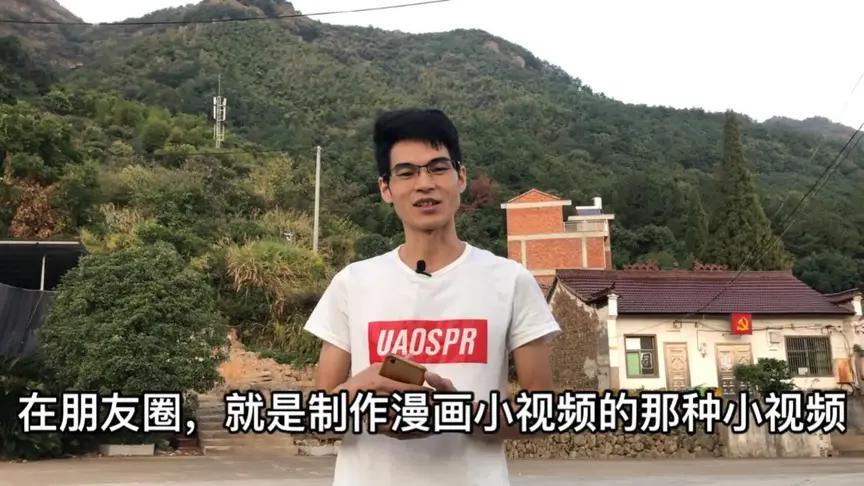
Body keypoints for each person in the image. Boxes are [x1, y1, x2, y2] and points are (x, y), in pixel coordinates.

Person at [303, 108, 560, 486]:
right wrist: (360, 387)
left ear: (461, 177)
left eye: (438, 168)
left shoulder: (510, 280)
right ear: (385, 188)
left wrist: (458, 413)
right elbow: (316, 421)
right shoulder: (352, 283)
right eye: (406, 173)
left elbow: (544, 414)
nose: (424, 184)